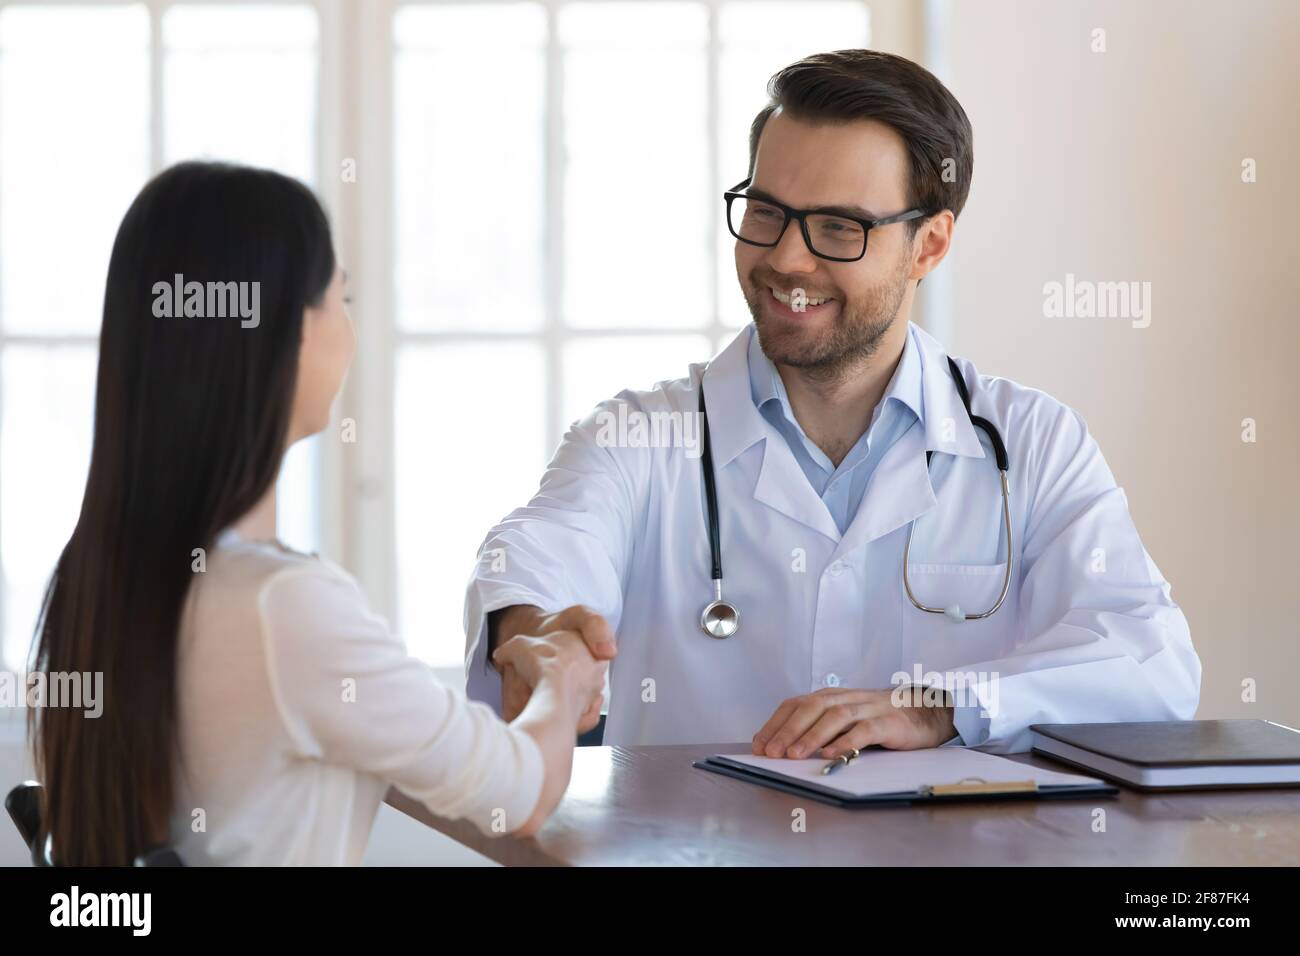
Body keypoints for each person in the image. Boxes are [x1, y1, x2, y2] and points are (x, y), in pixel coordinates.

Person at [464, 50, 1200, 756]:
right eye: (765, 213)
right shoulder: (635, 437)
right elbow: (542, 551)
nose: (786, 258)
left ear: (929, 246)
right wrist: (535, 634)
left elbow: (1151, 662)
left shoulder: (1032, 442)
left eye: (839, 228)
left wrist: (944, 705)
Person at [30, 161, 605, 866]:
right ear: (282, 334)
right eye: (343, 298)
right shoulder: (280, 606)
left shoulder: (95, 571)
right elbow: (520, 793)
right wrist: (564, 672)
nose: (352, 332)